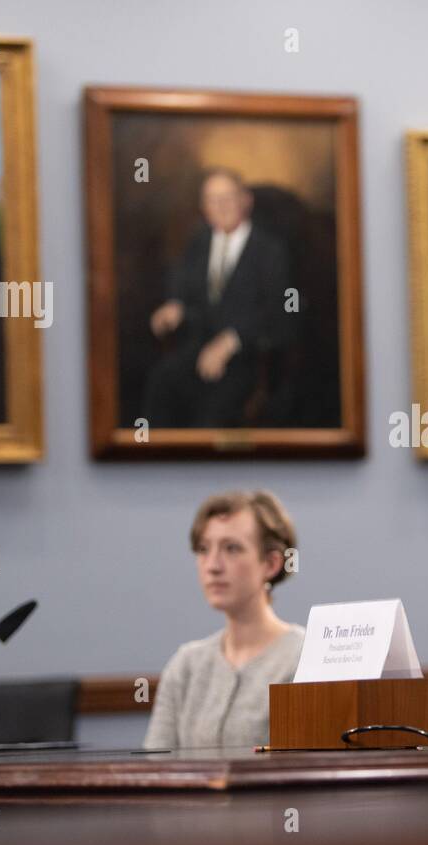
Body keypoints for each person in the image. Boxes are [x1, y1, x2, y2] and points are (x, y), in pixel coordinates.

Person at [144, 491, 304, 750]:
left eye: (231, 548)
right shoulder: (186, 665)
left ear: (272, 563)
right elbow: (154, 769)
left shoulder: (304, 659)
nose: (213, 566)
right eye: (204, 549)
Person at [143, 169, 295, 428]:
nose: (220, 207)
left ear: (246, 201)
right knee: (161, 385)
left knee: (212, 419)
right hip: (196, 348)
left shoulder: (270, 251)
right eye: (212, 200)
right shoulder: (198, 243)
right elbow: (184, 287)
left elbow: (279, 315)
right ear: (204, 207)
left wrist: (231, 341)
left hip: (246, 358)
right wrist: (175, 306)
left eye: (227, 198)